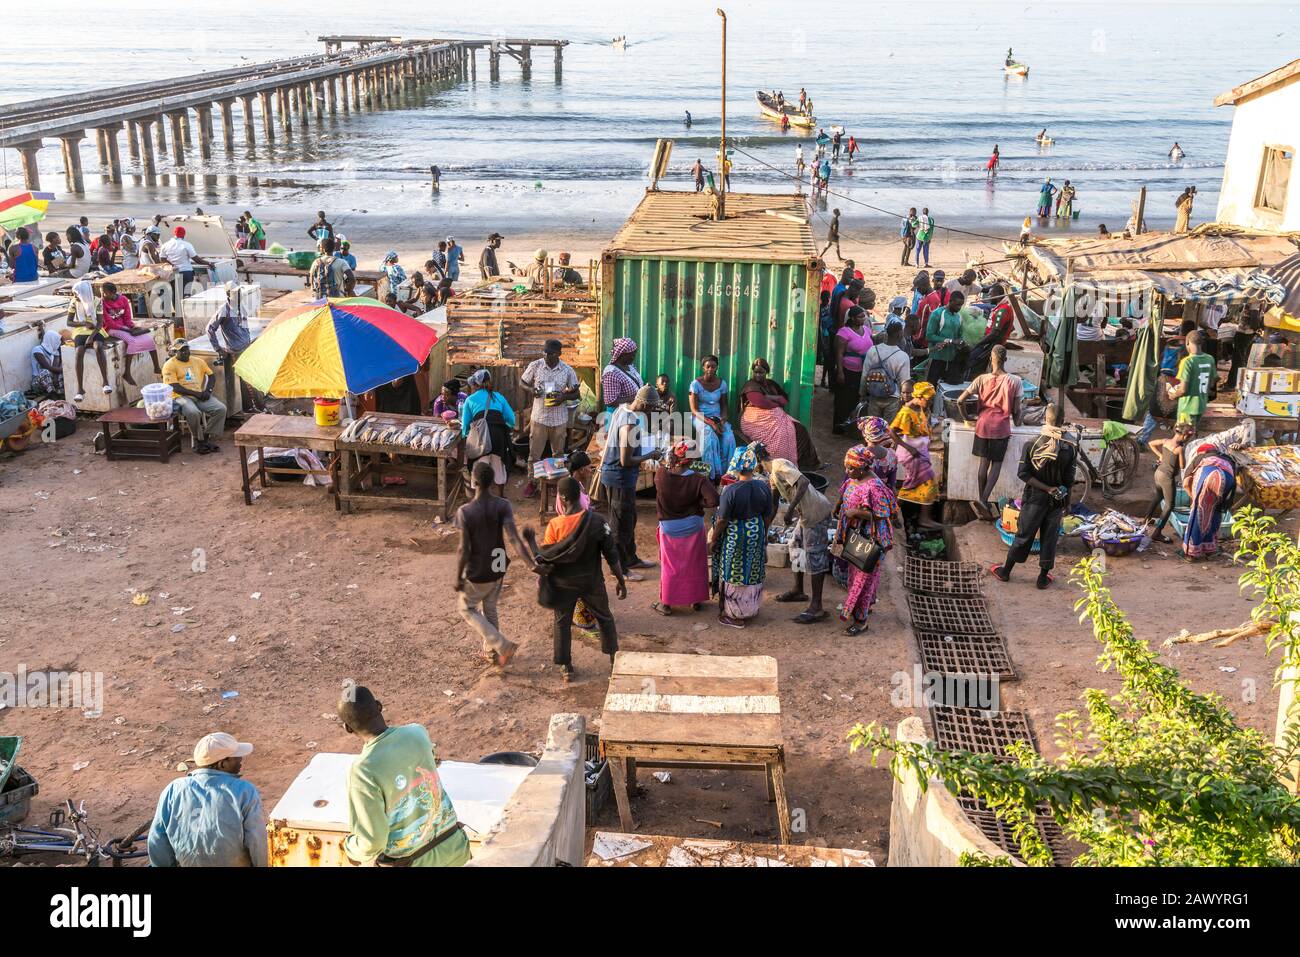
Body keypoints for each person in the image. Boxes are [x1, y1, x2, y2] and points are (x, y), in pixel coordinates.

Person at [337, 686, 469, 867]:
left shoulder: (363, 771)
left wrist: (351, 849)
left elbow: (372, 842)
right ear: (379, 706)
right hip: (455, 849)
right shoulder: (417, 733)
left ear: (348, 728)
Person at [528, 477, 627, 683]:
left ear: (562, 498)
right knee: (605, 618)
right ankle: (613, 659)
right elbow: (611, 554)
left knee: (562, 623)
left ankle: (566, 666)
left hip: (564, 584)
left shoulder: (554, 525)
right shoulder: (597, 521)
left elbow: (547, 556)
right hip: (591, 582)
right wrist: (621, 580)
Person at [454, 459, 534, 667]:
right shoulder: (503, 505)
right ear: (492, 483)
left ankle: (501, 645)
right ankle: (492, 653)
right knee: (490, 608)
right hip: (498, 564)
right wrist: (531, 564)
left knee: (466, 607)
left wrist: (458, 577)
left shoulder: (465, 511)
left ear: (473, 482)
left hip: (477, 569)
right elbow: (515, 539)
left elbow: (464, 549)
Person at [147, 732, 266, 867]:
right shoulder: (244, 790)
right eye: (236, 757)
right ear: (222, 764)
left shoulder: (174, 789)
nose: (241, 760)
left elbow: (157, 838)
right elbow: (256, 839)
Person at [990, 405, 1076, 589]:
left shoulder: (1033, 444)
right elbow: (1069, 481)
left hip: (1034, 499)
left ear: (1046, 419)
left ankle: (1005, 571)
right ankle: (1042, 579)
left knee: (1023, 535)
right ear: (1062, 421)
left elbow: (1023, 474)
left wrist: (1046, 488)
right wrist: (1066, 504)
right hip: (1057, 502)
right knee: (1049, 538)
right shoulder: (1069, 447)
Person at [601, 383, 664, 578]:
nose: (652, 412)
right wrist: (650, 455)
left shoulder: (624, 408)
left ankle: (631, 558)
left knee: (628, 519)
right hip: (619, 477)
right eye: (653, 408)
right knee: (620, 525)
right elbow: (625, 460)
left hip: (621, 477)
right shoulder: (630, 424)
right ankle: (620, 568)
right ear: (645, 406)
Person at [836, 445, 901, 635]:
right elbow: (844, 492)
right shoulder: (854, 479)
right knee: (856, 576)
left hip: (871, 540)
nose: (847, 472)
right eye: (846, 467)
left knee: (863, 580)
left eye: (851, 468)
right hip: (856, 537)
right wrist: (839, 507)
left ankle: (861, 621)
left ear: (864, 468)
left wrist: (855, 512)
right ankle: (862, 609)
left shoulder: (874, 487)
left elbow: (882, 514)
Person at [712, 444, 775, 628]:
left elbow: (723, 520)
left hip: (735, 535)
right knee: (753, 570)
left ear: (736, 465)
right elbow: (767, 515)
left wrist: (714, 538)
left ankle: (734, 615)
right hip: (756, 531)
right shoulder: (763, 486)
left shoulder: (730, 491)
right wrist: (763, 535)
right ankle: (751, 608)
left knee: (733, 571)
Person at [653, 441, 719, 616]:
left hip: (669, 528)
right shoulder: (698, 479)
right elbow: (714, 500)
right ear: (692, 460)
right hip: (693, 526)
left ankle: (666, 604)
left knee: (670, 566)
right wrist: (699, 502)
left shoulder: (660, 475)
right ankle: (696, 600)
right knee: (695, 564)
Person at [958, 345, 1023, 519]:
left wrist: (967, 417)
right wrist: (1018, 420)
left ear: (990, 359)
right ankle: (984, 499)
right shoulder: (1015, 381)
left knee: (983, 464)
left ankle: (982, 500)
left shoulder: (981, 379)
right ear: (1006, 359)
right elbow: (1017, 410)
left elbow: (959, 400)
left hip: (982, 425)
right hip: (1000, 428)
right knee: (996, 465)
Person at [767, 456, 833, 624]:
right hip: (806, 516)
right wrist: (764, 529)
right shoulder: (773, 475)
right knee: (795, 546)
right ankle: (798, 590)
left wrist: (790, 510)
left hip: (815, 514)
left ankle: (817, 607)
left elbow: (803, 481)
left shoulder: (778, 465)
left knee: (815, 558)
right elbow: (774, 504)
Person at [521, 339, 580, 497]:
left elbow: (576, 393)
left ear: (559, 354)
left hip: (559, 418)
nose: (546, 356)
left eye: (550, 353)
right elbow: (522, 382)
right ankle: (532, 482)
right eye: (544, 352)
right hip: (539, 417)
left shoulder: (567, 370)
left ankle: (556, 483)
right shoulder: (536, 366)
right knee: (534, 454)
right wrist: (531, 390)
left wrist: (563, 397)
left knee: (558, 454)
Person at [739, 358, 820, 470]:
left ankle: (806, 466)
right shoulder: (750, 386)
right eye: (755, 372)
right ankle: (786, 464)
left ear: (766, 372)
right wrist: (774, 399)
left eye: (761, 372)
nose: (757, 375)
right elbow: (761, 402)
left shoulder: (771, 384)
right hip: (756, 421)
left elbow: (784, 400)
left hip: (775, 417)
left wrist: (770, 397)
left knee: (801, 430)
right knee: (786, 436)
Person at [891, 381, 941, 533]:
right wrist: (909, 448)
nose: (930, 402)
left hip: (920, 452)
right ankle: (892, 514)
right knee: (912, 484)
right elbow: (892, 432)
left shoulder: (920, 408)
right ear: (919, 397)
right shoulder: (906, 411)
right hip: (911, 454)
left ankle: (924, 519)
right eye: (928, 399)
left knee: (928, 484)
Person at [162, 338, 226, 454]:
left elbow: (211, 376)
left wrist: (208, 390)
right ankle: (199, 440)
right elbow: (175, 387)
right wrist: (197, 394)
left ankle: (205, 439)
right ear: (175, 352)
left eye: (187, 349)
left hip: (198, 394)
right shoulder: (169, 365)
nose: (185, 352)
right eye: (181, 350)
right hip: (179, 397)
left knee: (221, 409)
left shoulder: (198, 361)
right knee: (193, 412)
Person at [205, 283, 260, 414]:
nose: (239, 295)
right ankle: (250, 408)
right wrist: (218, 349)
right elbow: (209, 329)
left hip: (247, 346)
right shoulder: (224, 310)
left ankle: (257, 405)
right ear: (229, 294)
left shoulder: (241, 306)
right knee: (246, 381)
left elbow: (245, 326)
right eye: (236, 293)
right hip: (236, 350)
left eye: (240, 293)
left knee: (253, 377)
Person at [460, 368, 516, 490]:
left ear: (475, 384)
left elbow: (465, 425)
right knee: (498, 465)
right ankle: (500, 497)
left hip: (480, 437)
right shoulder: (499, 397)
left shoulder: (470, 400)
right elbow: (511, 419)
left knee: (479, 465)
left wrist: (467, 437)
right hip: (498, 437)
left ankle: (479, 497)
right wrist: (504, 427)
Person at [1181, 442, 1237, 561]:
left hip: (1208, 473)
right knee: (1216, 509)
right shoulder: (1228, 458)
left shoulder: (1200, 457)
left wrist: (1193, 500)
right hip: (1228, 479)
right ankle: (1210, 550)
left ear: (1202, 452)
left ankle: (1191, 553)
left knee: (1199, 510)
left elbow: (1186, 483)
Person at [99, 281, 161, 388]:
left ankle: (157, 367)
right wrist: (128, 331)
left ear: (113, 292)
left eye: (105, 293)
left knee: (149, 340)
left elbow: (127, 318)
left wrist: (132, 327)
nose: (103, 295)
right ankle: (127, 373)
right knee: (133, 341)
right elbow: (109, 323)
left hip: (124, 327)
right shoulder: (101, 303)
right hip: (110, 329)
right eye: (102, 293)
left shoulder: (123, 300)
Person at [1143, 423, 1195, 544]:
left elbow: (1151, 443)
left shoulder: (1166, 441)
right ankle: (1157, 533)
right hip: (1167, 478)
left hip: (1158, 473)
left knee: (1158, 496)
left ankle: (1146, 519)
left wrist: (1161, 455)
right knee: (1169, 505)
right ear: (1185, 436)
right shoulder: (1179, 449)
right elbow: (1182, 465)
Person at [689, 354, 737, 481]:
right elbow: (694, 410)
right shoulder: (695, 384)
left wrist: (723, 420)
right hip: (700, 418)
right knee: (709, 436)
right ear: (703, 368)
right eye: (708, 367)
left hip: (717, 418)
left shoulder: (722, 384)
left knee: (729, 437)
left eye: (713, 367)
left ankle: (728, 473)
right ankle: (712, 474)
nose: (710, 369)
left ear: (717, 368)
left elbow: (724, 406)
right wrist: (712, 424)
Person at [66, 279, 112, 402]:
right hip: (81, 330)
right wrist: (83, 323)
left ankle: (105, 382)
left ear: (83, 293)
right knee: (79, 351)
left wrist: (91, 337)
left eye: (76, 293)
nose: (74, 296)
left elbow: (100, 323)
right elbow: (69, 322)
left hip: (96, 330)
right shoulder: (74, 302)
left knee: (98, 347)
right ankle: (80, 389)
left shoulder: (97, 301)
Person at [860, 322, 912, 425]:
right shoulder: (902, 356)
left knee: (873, 427)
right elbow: (904, 381)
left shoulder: (873, 350)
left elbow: (865, 374)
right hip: (893, 397)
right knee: (888, 430)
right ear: (900, 335)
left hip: (874, 395)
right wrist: (905, 400)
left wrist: (862, 393)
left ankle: (872, 441)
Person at [832, 304, 873, 432]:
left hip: (863, 371)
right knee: (844, 399)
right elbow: (839, 353)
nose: (863, 319)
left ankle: (853, 427)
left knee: (857, 399)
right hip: (847, 371)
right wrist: (840, 372)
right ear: (853, 318)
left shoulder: (866, 330)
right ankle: (840, 427)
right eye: (860, 317)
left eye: (864, 316)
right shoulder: (844, 333)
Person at [1167, 330, 1215, 432]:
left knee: (1182, 436)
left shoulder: (1187, 362)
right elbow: (1211, 382)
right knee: (1192, 432)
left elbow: (1183, 389)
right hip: (1201, 405)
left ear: (1187, 342)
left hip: (1187, 407)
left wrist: (1173, 395)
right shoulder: (1210, 359)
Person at [925, 289, 966, 384]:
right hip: (936, 357)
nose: (959, 307)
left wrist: (961, 342)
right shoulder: (937, 314)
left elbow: (960, 335)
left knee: (947, 386)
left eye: (961, 305)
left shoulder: (959, 317)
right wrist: (951, 341)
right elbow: (929, 336)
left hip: (951, 359)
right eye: (957, 305)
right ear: (950, 301)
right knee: (931, 385)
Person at [601, 337, 644, 415]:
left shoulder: (630, 366)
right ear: (622, 355)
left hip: (634, 413)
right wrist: (638, 398)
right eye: (632, 355)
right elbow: (610, 402)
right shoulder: (611, 372)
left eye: (634, 354)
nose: (633, 357)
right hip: (619, 416)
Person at [160, 226, 208, 293]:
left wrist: (172, 265)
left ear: (174, 234)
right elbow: (197, 260)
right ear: (183, 235)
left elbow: (162, 258)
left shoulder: (165, 245)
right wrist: (209, 263)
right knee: (186, 294)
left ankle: (176, 303)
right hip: (186, 272)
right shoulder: (187, 245)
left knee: (174, 294)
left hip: (172, 273)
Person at [29, 329, 63, 395]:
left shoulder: (55, 352)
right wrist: (63, 369)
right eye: (57, 341)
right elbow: (47, 367)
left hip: (50, 381)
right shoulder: (37, 350)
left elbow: (54, 367)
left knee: (59, 373)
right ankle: (53, 395)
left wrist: (55, 378)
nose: (59, 343)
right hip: (38, 383)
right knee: (45, 372)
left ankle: (60, 393)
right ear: (51, 340)